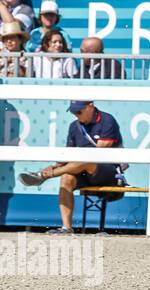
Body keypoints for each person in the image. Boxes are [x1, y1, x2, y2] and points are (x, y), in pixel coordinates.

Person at [19, 100, 123, 234]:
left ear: (90, 106)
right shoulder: (74, 126)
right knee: (66, 178)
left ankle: (43, 176)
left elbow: (99, 152)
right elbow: (68, 156)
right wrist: (53, 166)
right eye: (73, 111)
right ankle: (66, 227)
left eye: (79, 111)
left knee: (87, 159)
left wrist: (53, 171)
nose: (76, 115)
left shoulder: (107, 120)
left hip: (110, 173)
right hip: (86, 170)